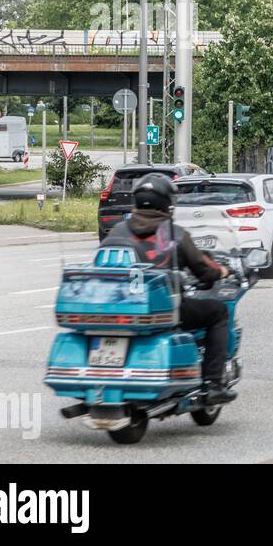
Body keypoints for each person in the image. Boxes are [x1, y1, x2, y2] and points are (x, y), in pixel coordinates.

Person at [100, 173, 238, 405]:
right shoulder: (173, 234)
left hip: (118, 311)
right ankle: (213, 385)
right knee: (218, 312)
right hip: (163, 311)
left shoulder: (117, 232)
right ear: (167, 203)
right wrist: (223, 271)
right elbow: (203, 270)